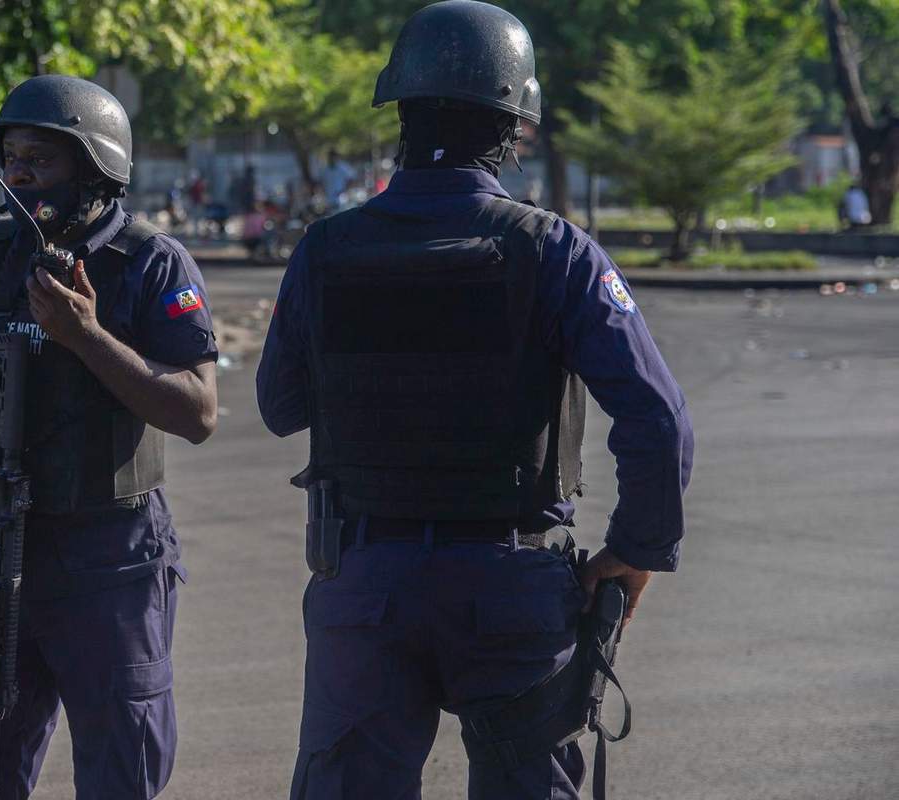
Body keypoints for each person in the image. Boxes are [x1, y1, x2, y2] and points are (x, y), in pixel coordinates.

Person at [255, 2, 694, 798]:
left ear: (400, 111)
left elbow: (280, 405)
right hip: (512, 584)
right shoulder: (554, 249)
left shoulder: (326, 248)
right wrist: (635, 548)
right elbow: (657, 419)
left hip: (366, 581)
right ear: (514, 125)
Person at [0, 74, 218, 799]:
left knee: (120, 767)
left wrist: (87, 337)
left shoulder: (149, 262)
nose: (18, 176)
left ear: (96, 166)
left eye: (40, 160)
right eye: (11, 157)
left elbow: (199, 411)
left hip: (108, 561)